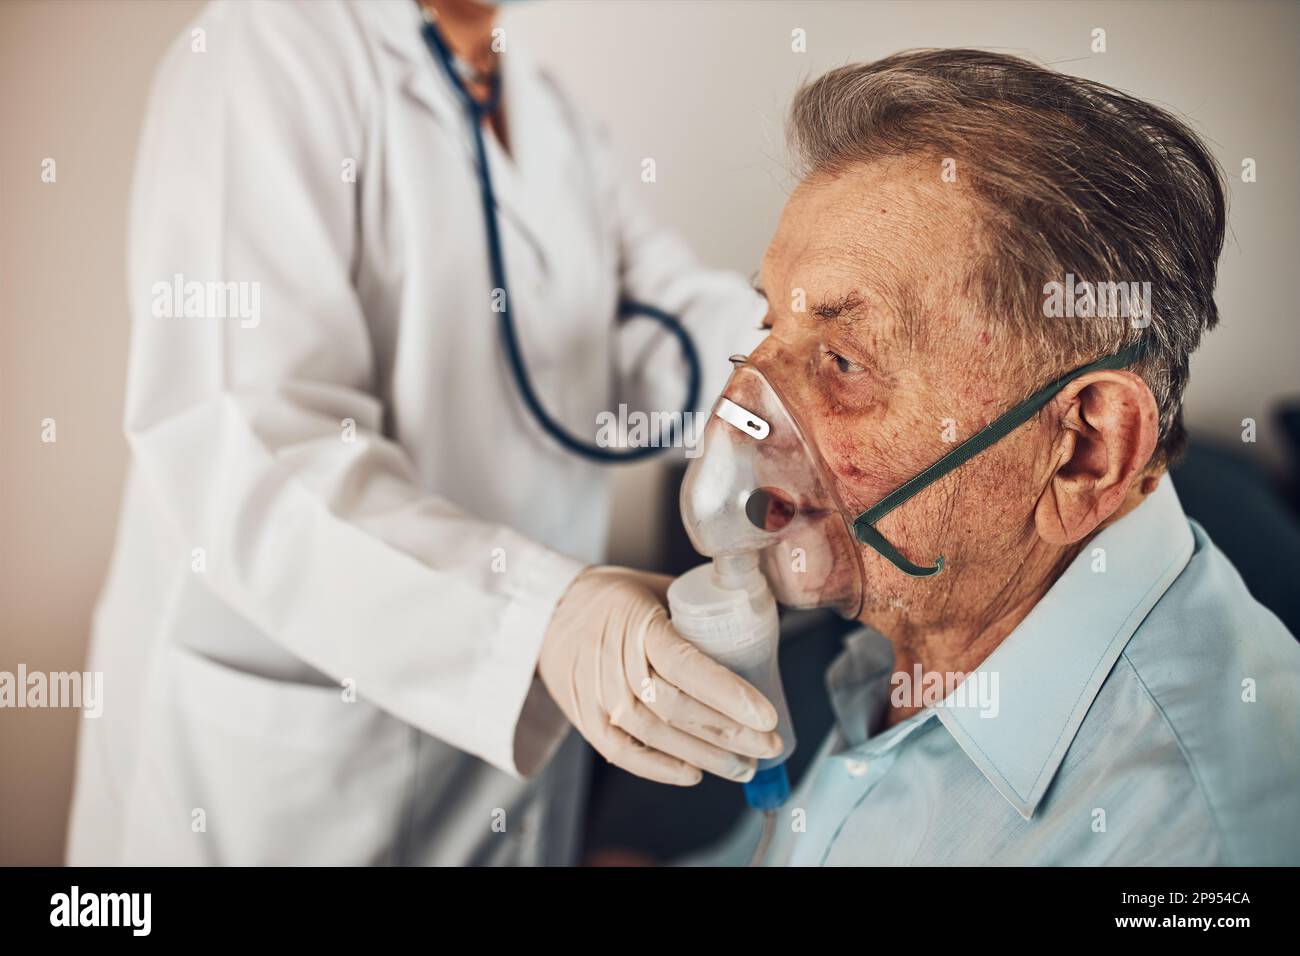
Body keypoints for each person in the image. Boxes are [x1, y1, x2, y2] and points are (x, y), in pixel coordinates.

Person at [67, 0, 780, 866]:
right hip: (297, 764)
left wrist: (808, 372)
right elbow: (249, 441)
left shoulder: (554, 120)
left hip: (503, 755)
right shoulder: (266, 51)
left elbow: (655, 332)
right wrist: (541, 617)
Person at [691, 49, 1300, 866]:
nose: (741, 418)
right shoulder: (920, 626)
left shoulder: (1193, 847)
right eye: (770, 330)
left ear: (1084, 452)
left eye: (844, 360)